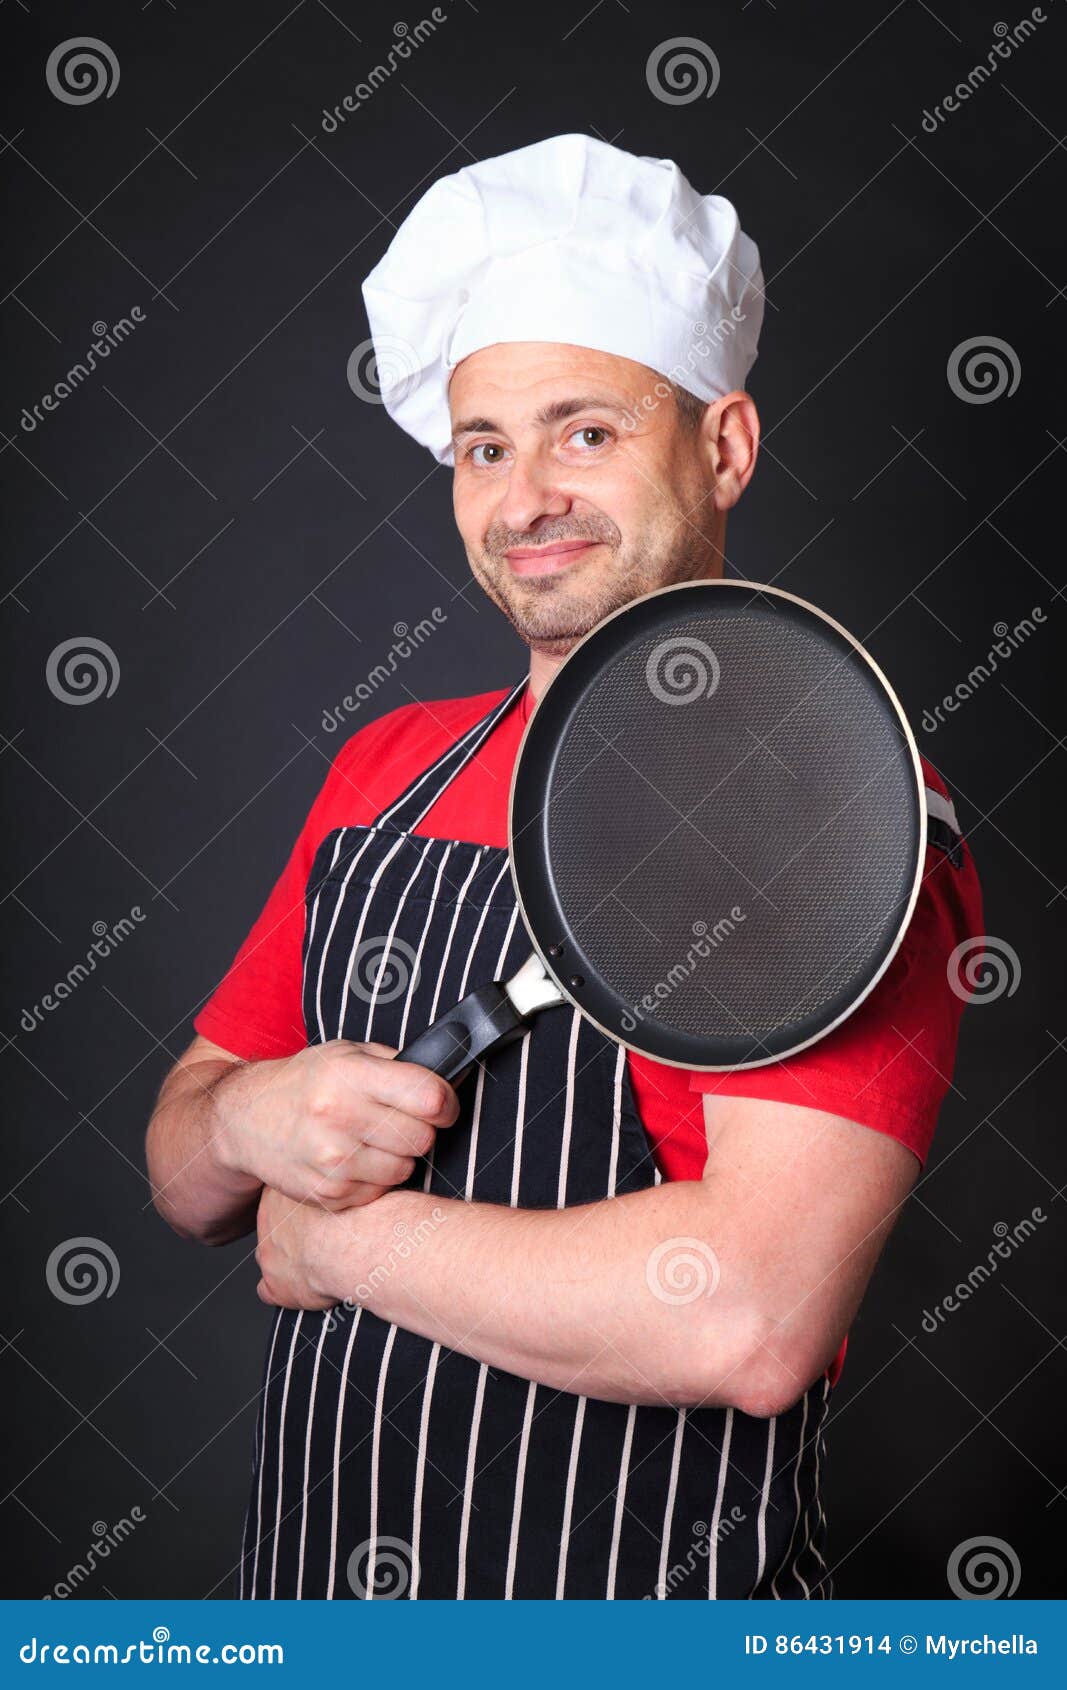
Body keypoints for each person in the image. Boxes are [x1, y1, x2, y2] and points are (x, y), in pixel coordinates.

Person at [145, 134, 983, 1600]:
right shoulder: (389, 770)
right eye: (485, 445)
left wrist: (342, 1245)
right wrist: (249, 1120)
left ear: (722, 445)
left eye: (585, 430)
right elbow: (180, 1156)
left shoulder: (842, 806)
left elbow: (749, 1315)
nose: (525, 495)